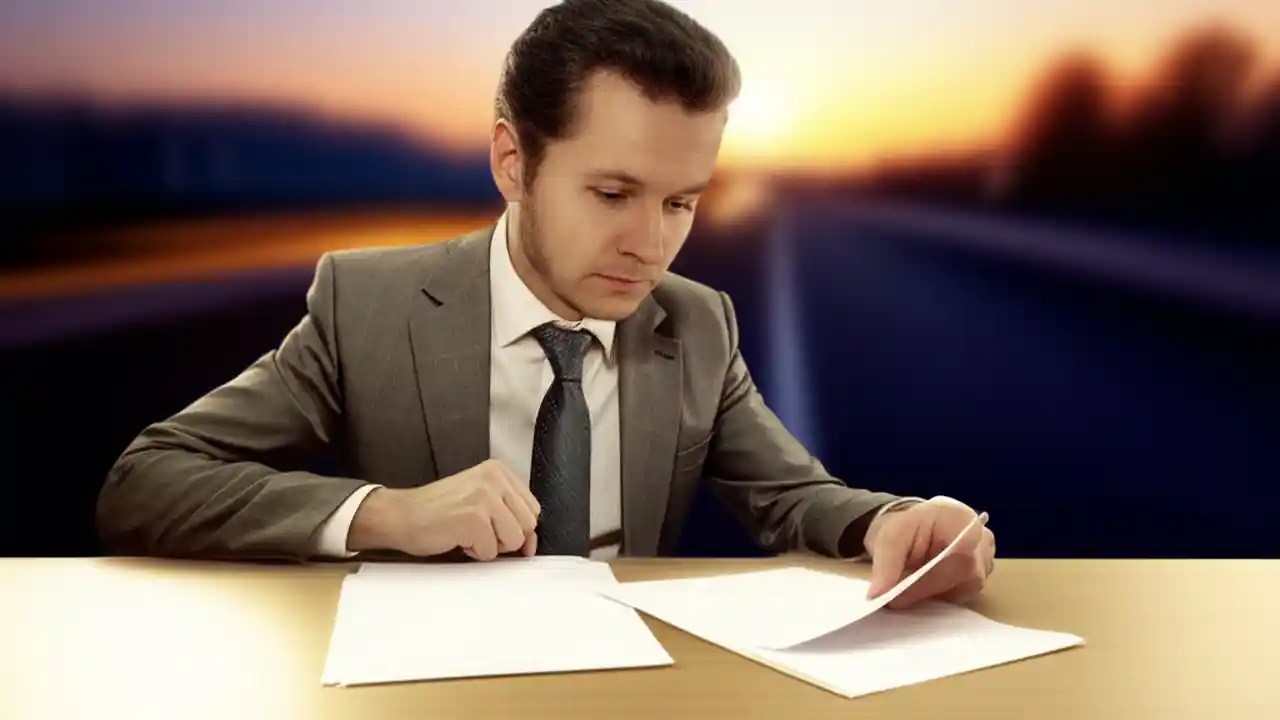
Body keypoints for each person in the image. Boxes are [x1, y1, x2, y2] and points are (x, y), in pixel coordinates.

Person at [97, 0, 995, 609]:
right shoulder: (365, 305)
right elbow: (147, 482)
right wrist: (384, 514)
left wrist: (894, 521)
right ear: (512, 163)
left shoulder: (696, 323)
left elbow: (794, 497)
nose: (652, 243)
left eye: (682, 202)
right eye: (612, 194)